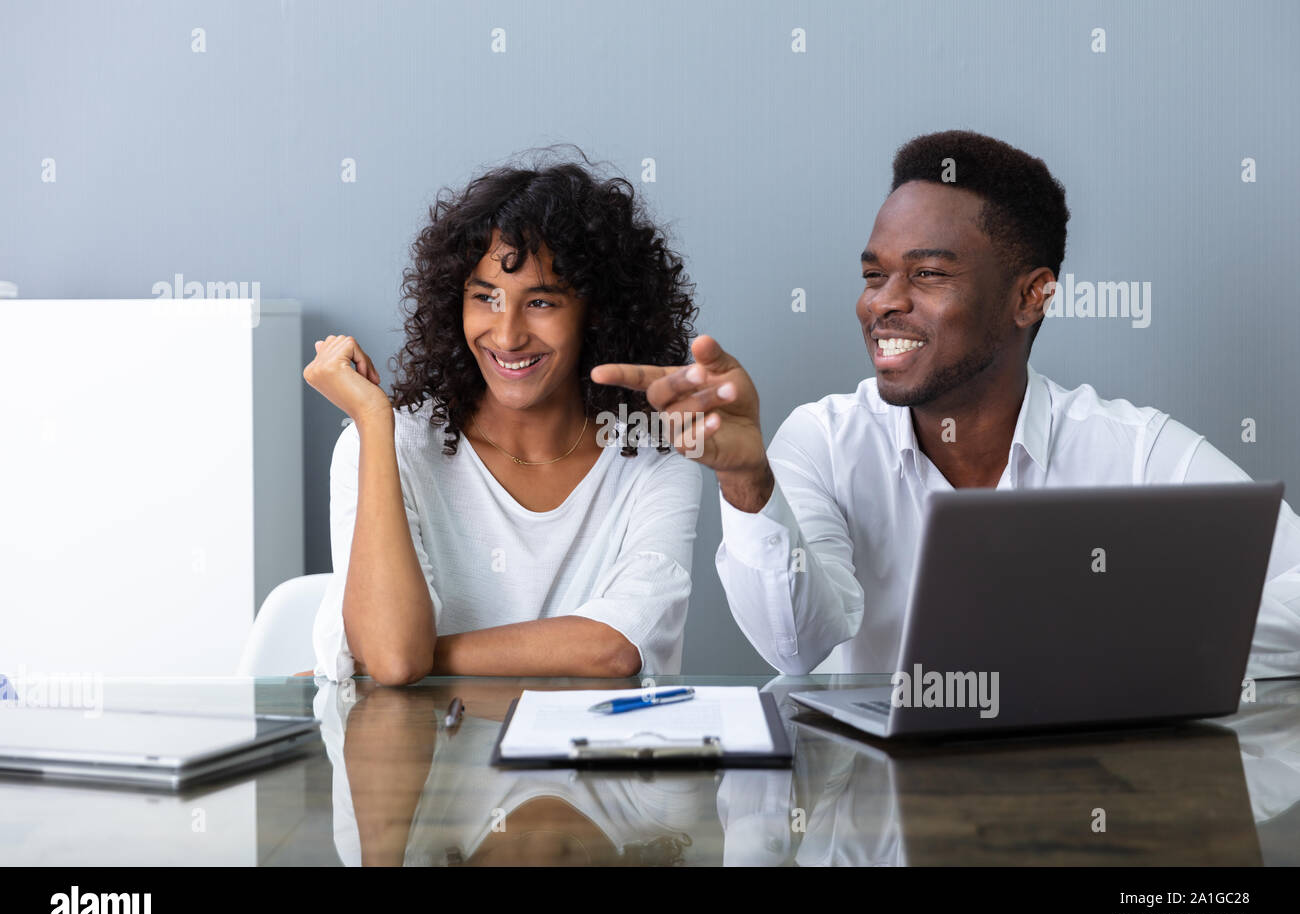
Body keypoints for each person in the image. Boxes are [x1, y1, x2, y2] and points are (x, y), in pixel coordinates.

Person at [592, 130, 1300, 679]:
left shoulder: (1133, 450)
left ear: (1032, 295)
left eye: (927, 274)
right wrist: (746, 484)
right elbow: (795, 648)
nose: (884, 303)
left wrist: (1110, 651)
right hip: (872, 819)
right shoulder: (826, 442)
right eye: (875, 275)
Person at [306, 150, 702, 685]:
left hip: (589, 764)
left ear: (598, 314)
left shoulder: (657, 458)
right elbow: (396, 660)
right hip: (424, 764)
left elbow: (615, 649)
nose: (508, 334)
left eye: (540, 302)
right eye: (485, 296)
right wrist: (375, 421)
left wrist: (417, 654)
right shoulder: (388, 443)